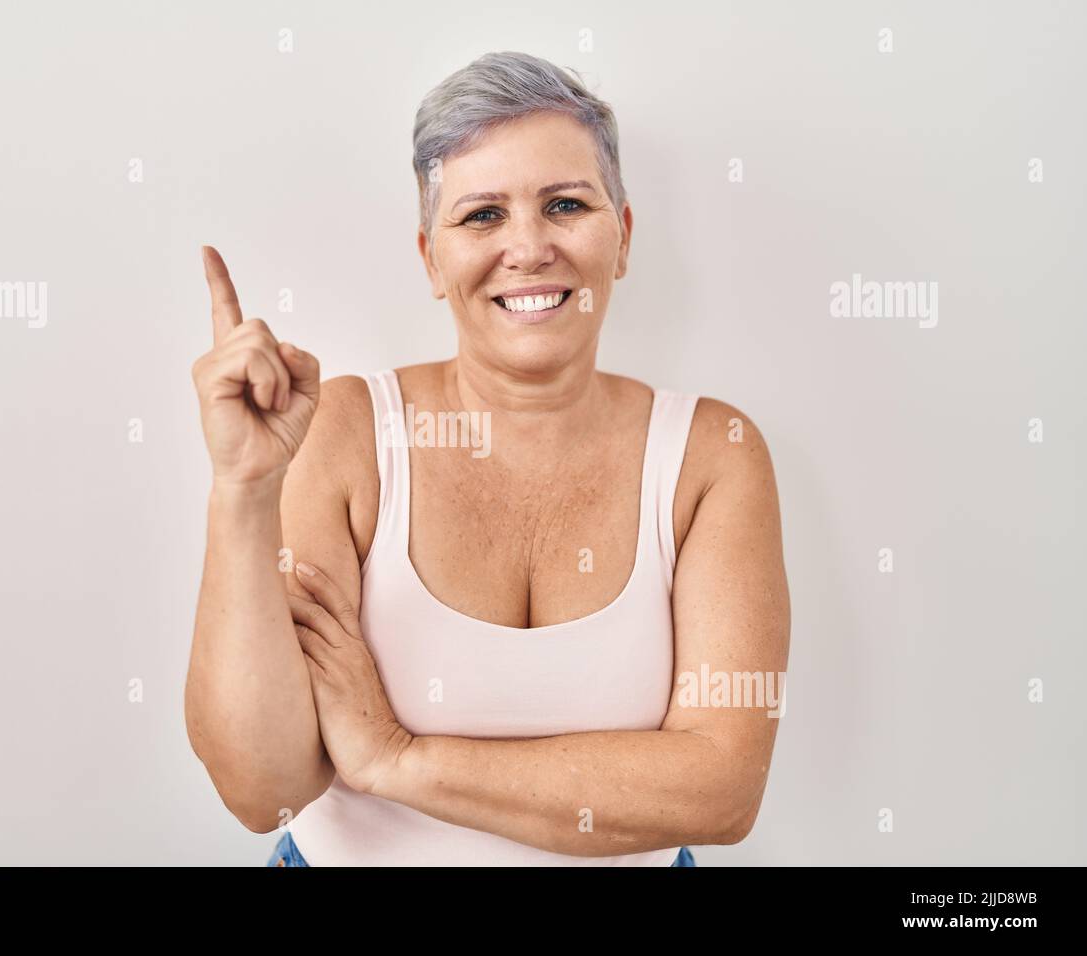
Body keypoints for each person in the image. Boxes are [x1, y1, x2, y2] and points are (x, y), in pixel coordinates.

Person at [185, 51, 790, 866]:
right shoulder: (348, 433)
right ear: (432, 259)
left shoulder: (712, 457)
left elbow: (720, 790)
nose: (530, 248)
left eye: (566, 204)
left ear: (623, 237)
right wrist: (242, 489)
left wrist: (398, 758)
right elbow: (266, 793)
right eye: (482, 217)